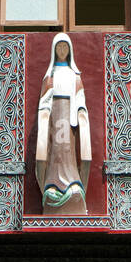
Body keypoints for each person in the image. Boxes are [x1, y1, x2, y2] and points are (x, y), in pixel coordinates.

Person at [35, 33, 90, 214]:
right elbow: (44, 101)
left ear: (70, 51)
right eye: (59, 48)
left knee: (68, 153)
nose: (62, 51)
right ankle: (52, 184)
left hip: (69, 117)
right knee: (56, 153)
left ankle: (73, 182)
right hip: (55, 117)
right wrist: (45, 116)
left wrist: (81, 111)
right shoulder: (50, 76)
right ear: (54, 50)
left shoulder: (74, 75)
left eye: (65, 48)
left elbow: (80, 97)